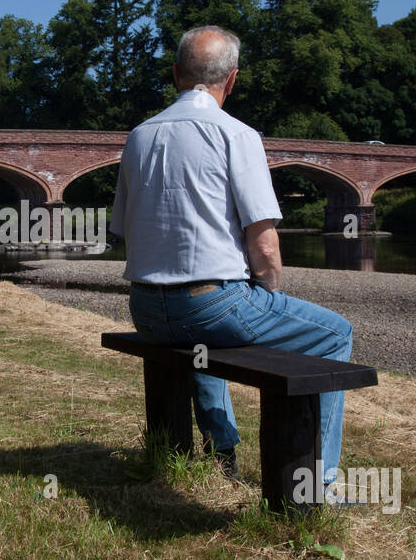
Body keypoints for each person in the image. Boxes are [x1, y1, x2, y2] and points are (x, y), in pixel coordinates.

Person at [109, 25, 353, 488]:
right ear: (233, 79)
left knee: (201, 333)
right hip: (209, 307)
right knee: (336, 334)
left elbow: (123, 230)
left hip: (145, 309)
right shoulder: (237, 135)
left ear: (176, 73)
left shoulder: (139, 137)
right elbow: (264, 244)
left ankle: (222, 454)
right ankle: (320, 483)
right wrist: (267, 295)